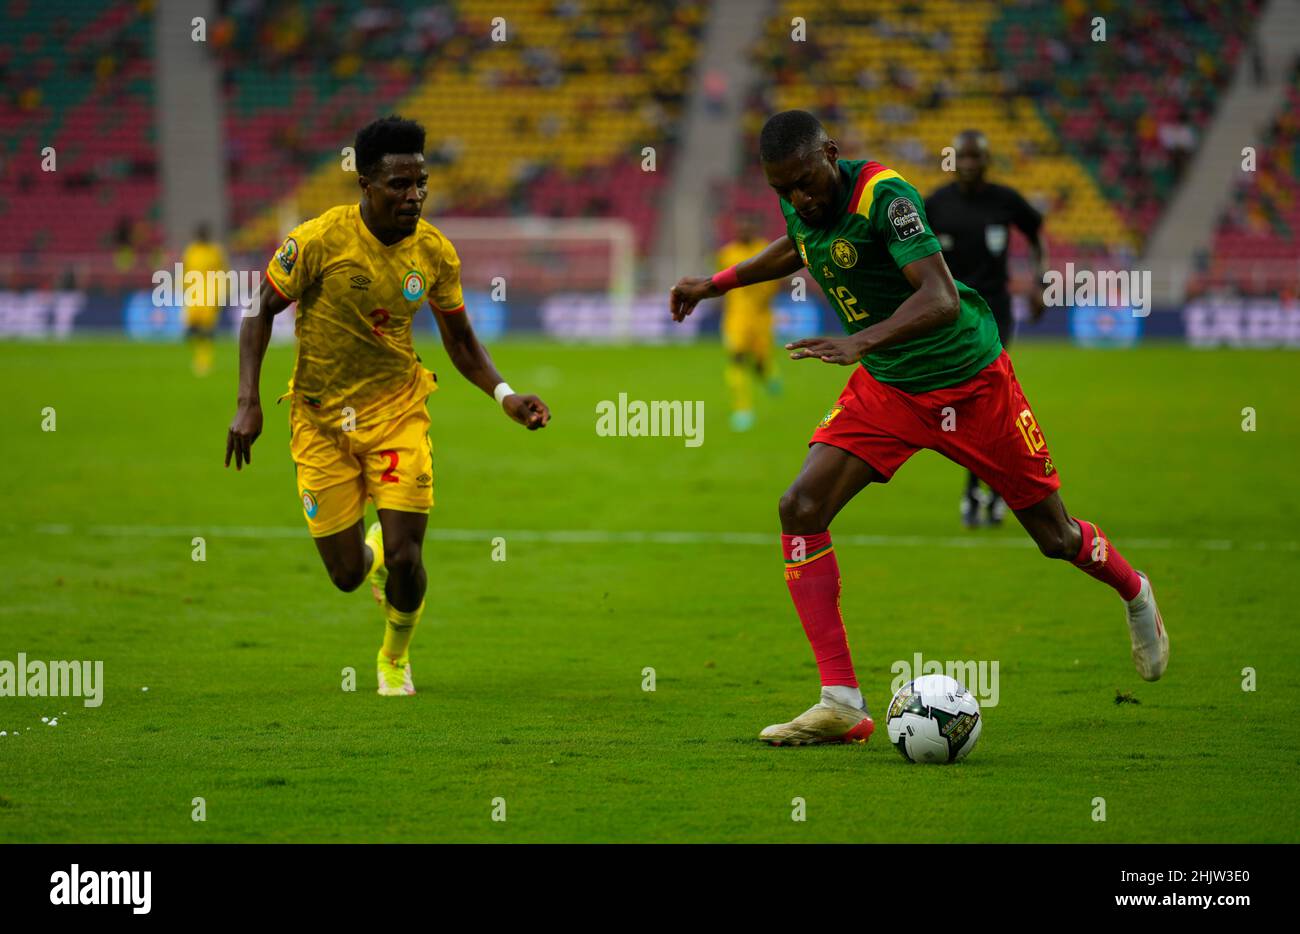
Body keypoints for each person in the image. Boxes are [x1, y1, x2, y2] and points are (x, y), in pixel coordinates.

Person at [669, 111, 1167, 746]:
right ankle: (841, 701)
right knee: (800, 506)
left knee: (1056, 536)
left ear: (831, 152)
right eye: (782, 190)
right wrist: (713, 285)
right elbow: (795, 245)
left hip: (971, 382)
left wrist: (861, 340)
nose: (799, 198)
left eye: (805, 181)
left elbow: (940, 297)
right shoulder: (804, 203)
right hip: (890, 388)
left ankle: (1134, 590)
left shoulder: (886, 196)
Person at [225, 116, 551, 696]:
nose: (414, 195)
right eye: (400, 184)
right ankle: (367, 549)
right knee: (349, 575)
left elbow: (460, 341)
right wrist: (248, 402)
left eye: (421, 182)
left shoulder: (435, 253)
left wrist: (504, 394)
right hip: (320, 420)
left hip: (398, 411)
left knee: (406, 557)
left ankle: (394, 658)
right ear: (366, 185)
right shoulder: (320, 240)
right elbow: (258, 310)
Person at [926, 129, 1049, 526]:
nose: (970, 164)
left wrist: (1039, 282)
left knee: (989, 399)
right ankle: (987, 492)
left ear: (987, 160)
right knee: (962, 402)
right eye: (964, 157)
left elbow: (1036, 236)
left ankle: (982, 494)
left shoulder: (1005, 200)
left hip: (993, 310)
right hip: (949, 312)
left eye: (977, 157)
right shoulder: (935, 205)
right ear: (954, 159)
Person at [716, 214, 782, 431]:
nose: (743, 231)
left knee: (760, 362)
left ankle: (768, 375)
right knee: (737, 359)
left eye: (747, 227)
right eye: (739, 228)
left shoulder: (765, 250)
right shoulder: (727, 254)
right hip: (736, 317)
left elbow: (778, 280)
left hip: (761, 317)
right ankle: (742, 409)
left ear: (755, 230)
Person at [181, 223, 228, 376]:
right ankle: (200, 357)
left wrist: (222, 291)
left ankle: (203, 361)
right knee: (192, 329)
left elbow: (223, 272)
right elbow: (186, 271)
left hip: (210, 294)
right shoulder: (191, 251)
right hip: (194, 295)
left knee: (206, 331)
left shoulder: (215, 252)